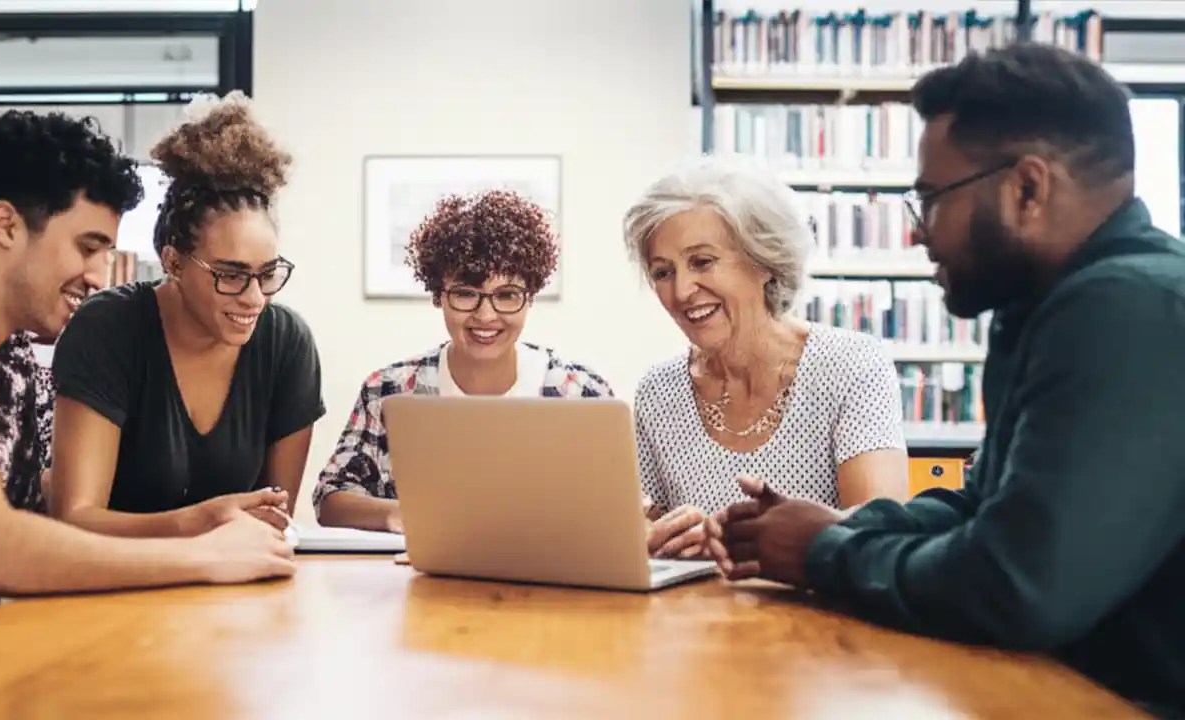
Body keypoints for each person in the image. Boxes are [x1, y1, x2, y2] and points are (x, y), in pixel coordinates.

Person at [705, 44, 1185, 717]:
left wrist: (825, 551)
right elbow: (985, 505)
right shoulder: (1048, 306)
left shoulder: (1127, 310)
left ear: (1027, 188)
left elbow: (1016, 586)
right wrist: (827, 527)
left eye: (930, 200)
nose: (918, 234)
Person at [0, 110, 295, 636]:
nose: (96, 276)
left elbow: (25, 506)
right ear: (6, 225)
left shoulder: (11, 353)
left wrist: (197, 517)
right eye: (87, 248)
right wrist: (203, 555)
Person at [48, 92, 324, 538]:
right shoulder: (108, 329)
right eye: (231, 275)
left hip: (233, 588)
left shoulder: (286, 342)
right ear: (174, 262)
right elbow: (74, 519)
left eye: (267, 274)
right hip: (114, 583)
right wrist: (199, 523)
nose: (255, 298)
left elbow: (272, 522)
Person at [622, 158, 909, 560]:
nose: (682, 290)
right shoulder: (658, 390)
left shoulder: (852, 365)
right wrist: (648, 540)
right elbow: (649, 531)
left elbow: (882, 533)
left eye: (702, 262)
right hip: (692, 618)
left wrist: (756, 544)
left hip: (817, 616)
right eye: (662, 272)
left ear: (763, 260)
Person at [314, 190, 613, 533]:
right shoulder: (389, 390)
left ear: (530, 298)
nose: (486, 315)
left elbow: (618, 511)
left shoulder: (580, 394)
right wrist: (400, 514)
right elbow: (330, 498)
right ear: (438, 296)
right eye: (466, 294)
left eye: (506, 296)